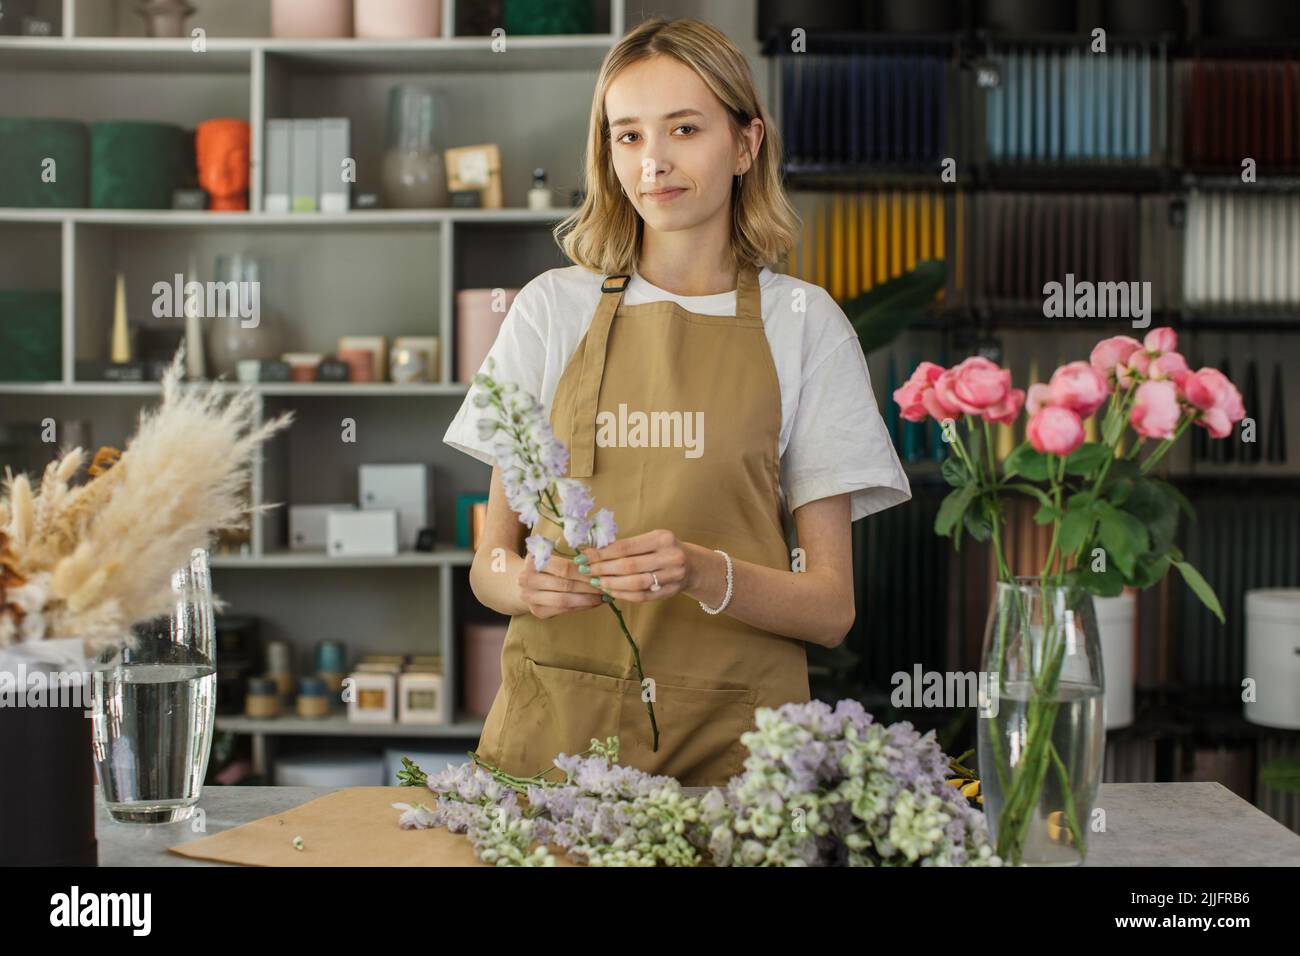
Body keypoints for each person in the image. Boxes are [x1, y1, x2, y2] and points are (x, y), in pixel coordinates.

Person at [442, 16, 911, 787]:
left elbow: (830, 609)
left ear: (746, 144)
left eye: (684, 129)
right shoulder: (549, 310)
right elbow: (489, 563)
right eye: (627, 136)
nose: (653, 162)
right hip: (553, 749)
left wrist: (700, 572)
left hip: (736, 757)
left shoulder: (805, 325)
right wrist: (520, 582)